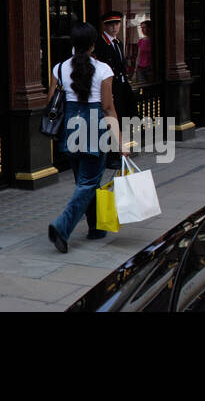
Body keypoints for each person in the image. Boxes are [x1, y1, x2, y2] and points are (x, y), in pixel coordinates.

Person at [46, 23, 126, 252]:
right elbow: (108, 108)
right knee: (88, 182)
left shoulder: (59, 68)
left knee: (85, 182)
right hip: (94, 127)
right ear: (93, 45)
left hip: (70, 127)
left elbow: (51, 100)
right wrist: (120, 143)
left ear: (73, 44)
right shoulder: (104, 70)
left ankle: (96, 227)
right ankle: (62, 226)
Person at [93, 11, 135, 122]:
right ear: (105, 26)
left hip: (121, 85)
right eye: (111, 24)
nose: (114, 27)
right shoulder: (100, 43)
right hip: (109, 86)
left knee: (124, 114)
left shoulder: (118, 42)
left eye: (117, 24)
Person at [134, 20, 153, 85]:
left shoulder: (154, 40)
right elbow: (139, 56)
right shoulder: (141, 41)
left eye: (144, 27)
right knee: (141, 88)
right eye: (141, 28)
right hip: (141, 68)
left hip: (150, 68)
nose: (142, 30)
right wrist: (135, 71)